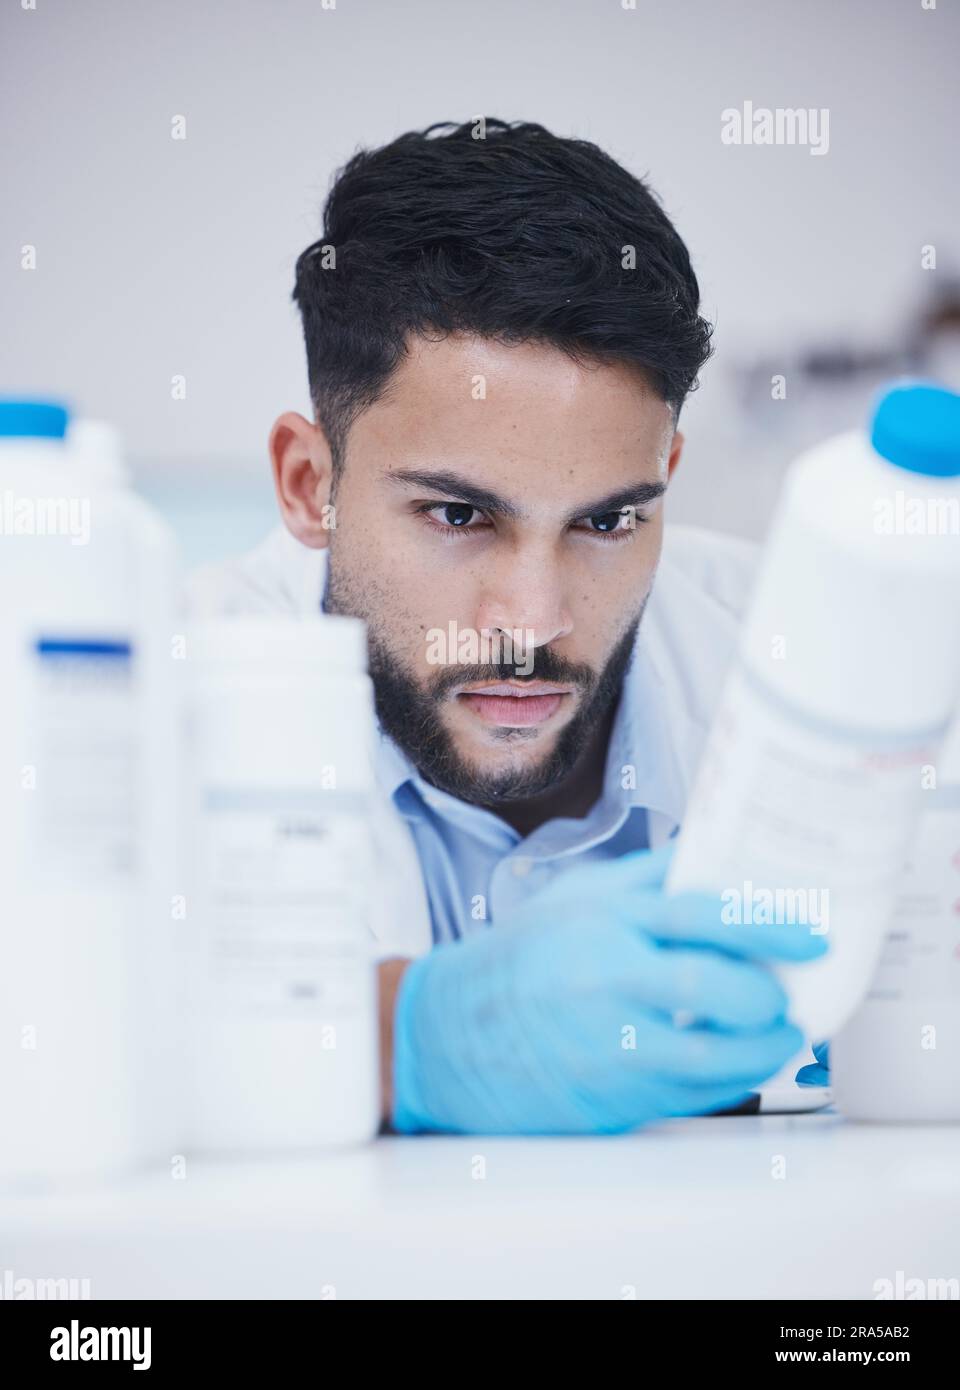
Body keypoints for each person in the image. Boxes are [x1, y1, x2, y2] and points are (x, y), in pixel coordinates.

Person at [189, 118, 828, 1135]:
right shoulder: (153, 691)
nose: (533, 622)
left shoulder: (815, 665)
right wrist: (411, 1040)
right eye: (458, 516)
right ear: (310, 484)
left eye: (607, 522)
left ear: (666, 477)